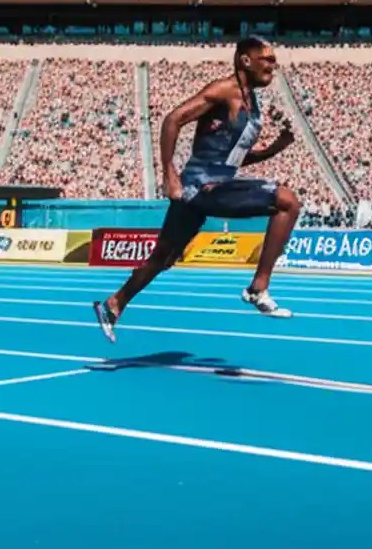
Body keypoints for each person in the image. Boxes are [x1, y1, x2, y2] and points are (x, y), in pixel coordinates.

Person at [92, 37, 301, 342]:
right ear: (245, 60)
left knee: (163, 257)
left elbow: (237, 157)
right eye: (266, 59)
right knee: (287, 201)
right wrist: (169, 174)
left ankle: (114, 304)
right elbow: (172, 120)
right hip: (200, 187)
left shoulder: (252, 102)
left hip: (215, 186)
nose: (273, 65)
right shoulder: (224, 90)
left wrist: (275, 149)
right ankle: (258, 288)